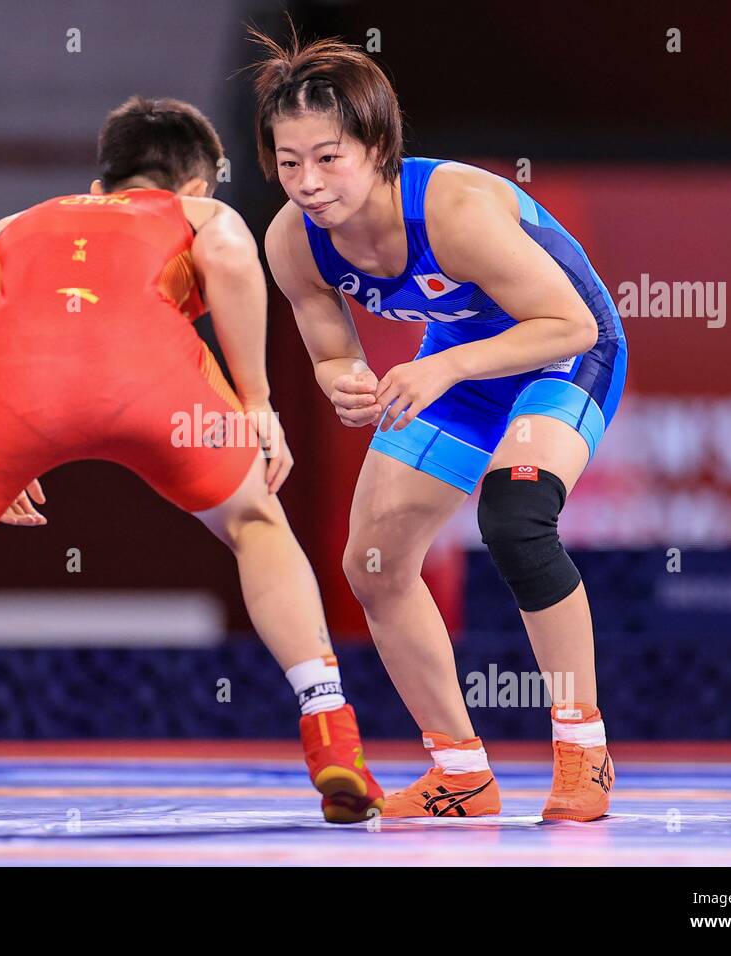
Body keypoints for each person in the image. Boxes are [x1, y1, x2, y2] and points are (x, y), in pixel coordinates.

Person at [0, 96, 383, 827]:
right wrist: (255, 401)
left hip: (9, 396)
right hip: (155, 387)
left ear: (100, 186)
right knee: (256, 524)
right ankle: (330, 733)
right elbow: (229, 256)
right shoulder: (200, 217)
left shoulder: (16, 227)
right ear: (193, 187)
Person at [252, 30, 627, 821]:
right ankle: (460, 770)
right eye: (289, 164)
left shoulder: (452, 209)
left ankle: (583, 751)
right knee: (374, 565)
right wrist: (343, 384)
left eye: (329, 159)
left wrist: (444, 367)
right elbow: (329, 352)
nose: (309, 184)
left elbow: (571, 325)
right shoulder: (293, 240)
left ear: (379, 147)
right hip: (464, 360)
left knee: (517, 513)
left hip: (559, 347)